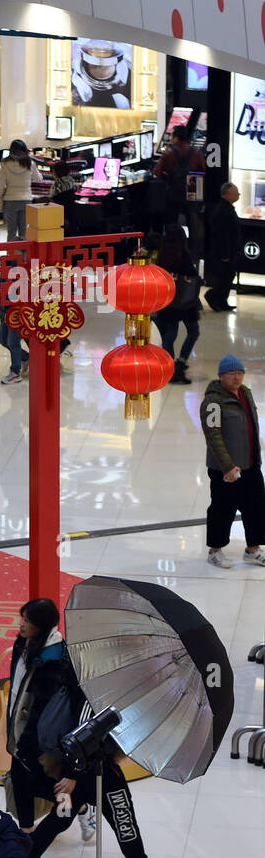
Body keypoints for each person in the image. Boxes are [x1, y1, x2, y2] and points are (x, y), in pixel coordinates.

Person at [6, 598, 181, 858]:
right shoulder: (86, 676)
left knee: (61, 816)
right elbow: (81, 729)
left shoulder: (84, 665)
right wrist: (74, 775)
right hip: (91, 768)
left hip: (74, 767)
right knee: (120, 814)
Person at [200, 354, 265, 568]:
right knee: (222, 508)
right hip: (224, 469)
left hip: (250, 465)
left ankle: (253, 549)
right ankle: (215, 550)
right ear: (221, 376)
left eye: (239, 373)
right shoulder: (213, 401)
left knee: (255, 507)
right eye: (231, 374)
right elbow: (213, 436)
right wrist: (227, 466)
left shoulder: (245, 393)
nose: (236, 378)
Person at [152, 223, 201, 385]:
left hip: (167, 300)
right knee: (193, 332)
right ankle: (180, 362)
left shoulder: (161, 256)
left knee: (169, 335)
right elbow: (192, 275)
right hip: (185, 302)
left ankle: (170, 366)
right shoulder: (184, 255)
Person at [153, 124, 207, 251]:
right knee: (193, 223)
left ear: (176, 138)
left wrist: (168, 179)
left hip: (174, 192)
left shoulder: (169, 153)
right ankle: (193, 251)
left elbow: (157, 171)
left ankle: (172, 249)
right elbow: (204, 171)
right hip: (192, 189)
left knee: (171, 223)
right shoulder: (196, 153)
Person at [204, 182, 241, 312]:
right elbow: (221, 234)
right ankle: (212, 296)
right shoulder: (222, 210)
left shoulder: (227, 208)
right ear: (228, 194)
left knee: (229, 275)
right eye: (236, 192)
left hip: (230, 250)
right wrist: (225, 254)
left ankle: (222, 301)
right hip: (225, 252)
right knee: (225, 276)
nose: (239, 194)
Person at [0, 139, 41, 241]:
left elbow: (0, 184)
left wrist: (0, 194)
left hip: (10, 200)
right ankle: (23, 256)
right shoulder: (30, 163)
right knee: (24, 232)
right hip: (26, 199)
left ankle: (11, 256)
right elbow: (38, 179)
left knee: (11, 232)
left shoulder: (5, 164)